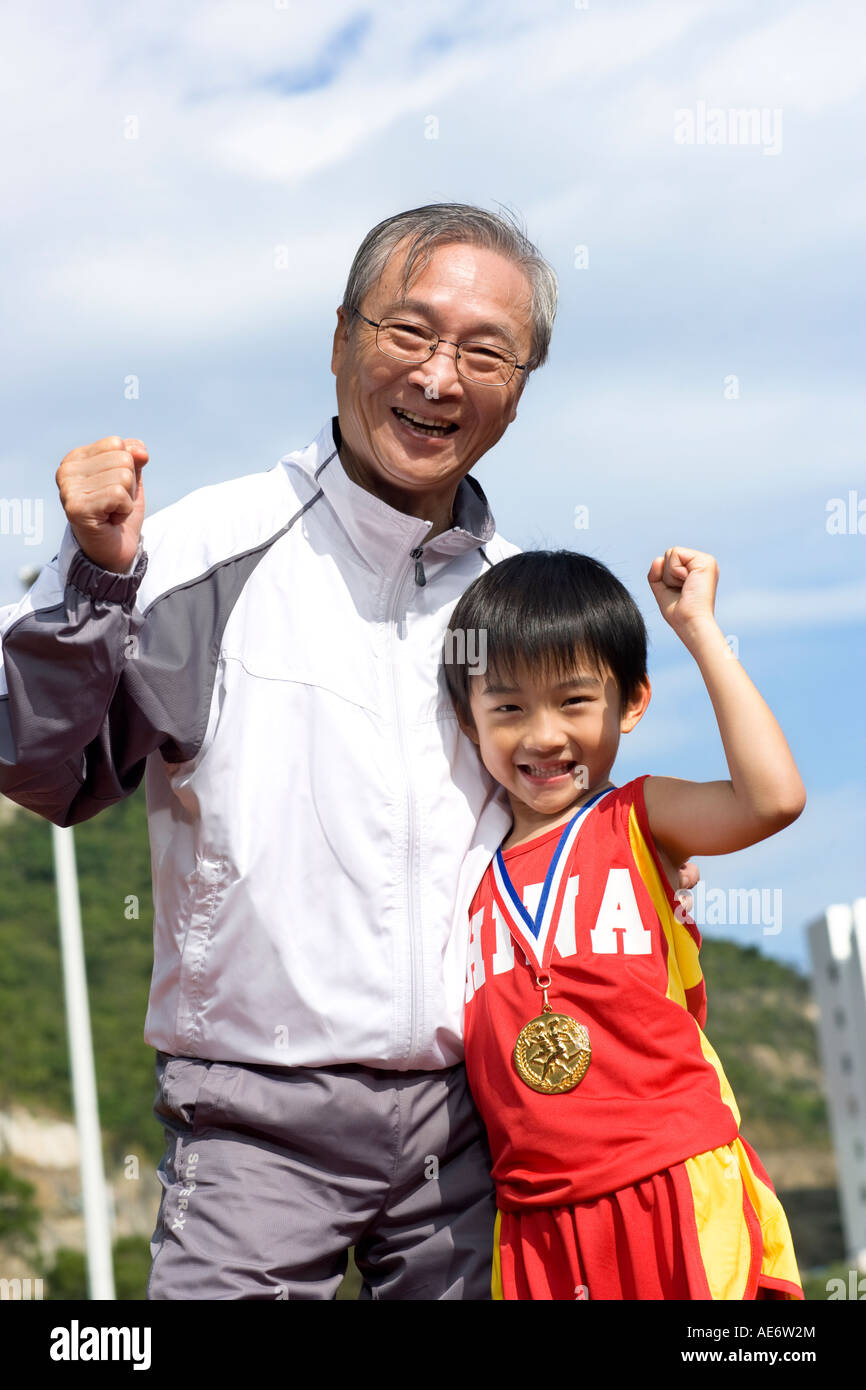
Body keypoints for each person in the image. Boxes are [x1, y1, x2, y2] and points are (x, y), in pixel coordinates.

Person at [0, 203, 696, 1300]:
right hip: (253, 1125)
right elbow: (44, 768)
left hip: (488, 1120)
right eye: (408, 333)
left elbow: (567, 827)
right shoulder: (185, 552)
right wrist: (94, 581)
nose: (438, 376)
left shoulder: (518, 596)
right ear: (341, 339)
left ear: (520, 386)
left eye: (483, 351)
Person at [443, 545, 806, 1300]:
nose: (543, 736)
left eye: (575, 702)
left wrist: (700, 629)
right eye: (508, 707)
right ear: (466, 718)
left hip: (675, 1181)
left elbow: (771, 798)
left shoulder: (639, 817)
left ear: (632, 703)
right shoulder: (462, 868)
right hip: (536, 1219)